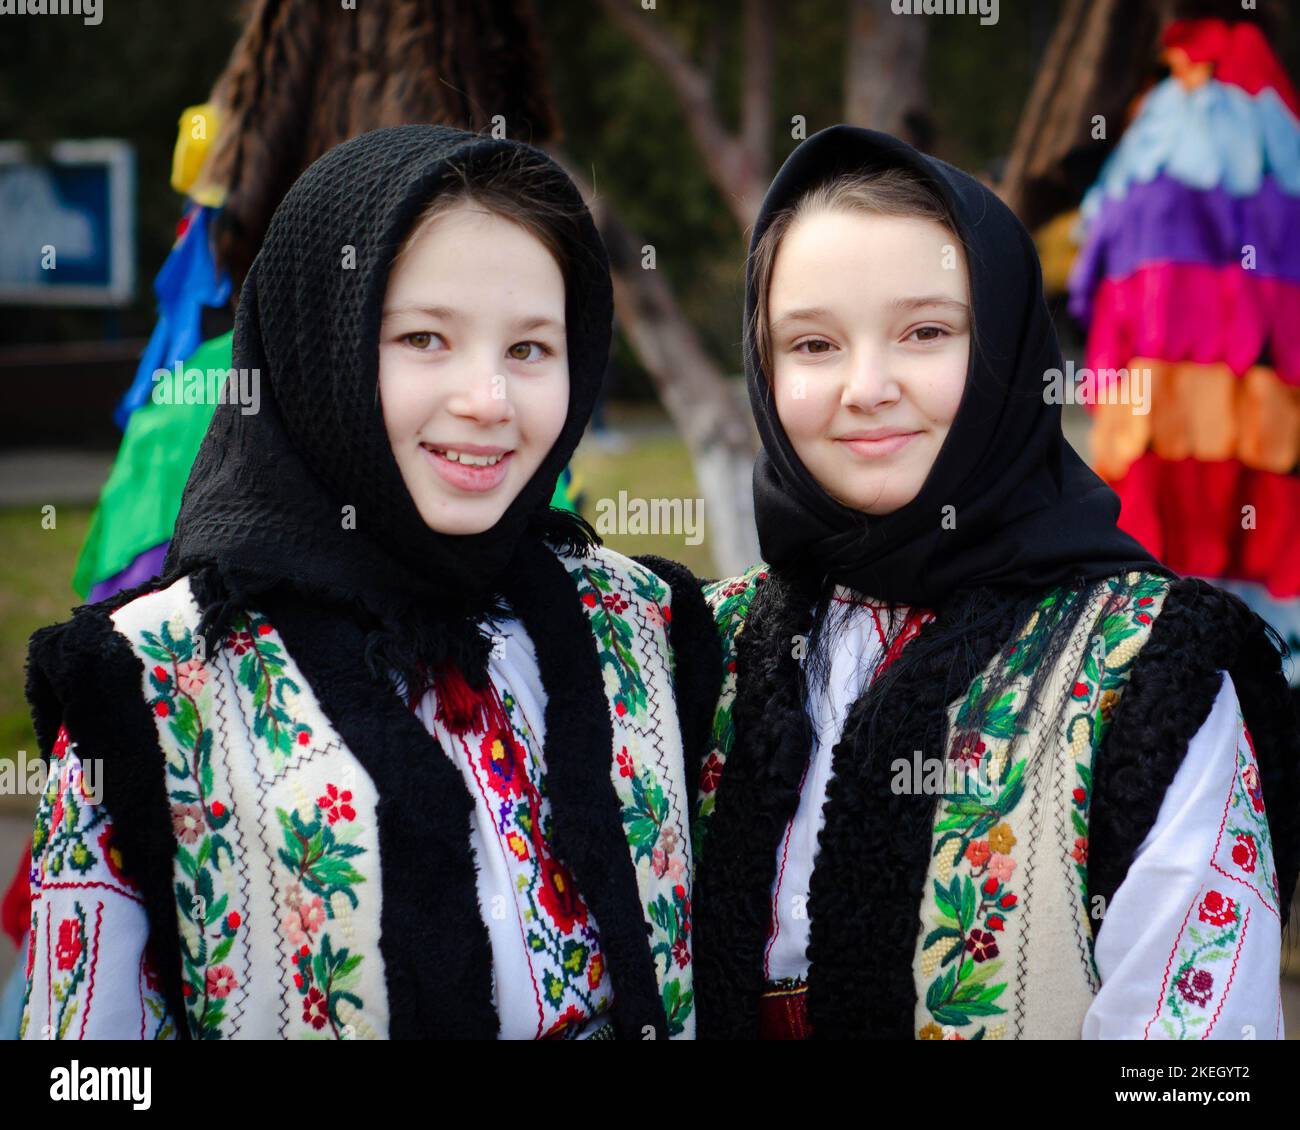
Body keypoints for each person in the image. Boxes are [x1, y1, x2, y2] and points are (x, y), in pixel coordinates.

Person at [19, 124, 719, 1040]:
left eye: (530, 350)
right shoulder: (151, 687)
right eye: (425, 337)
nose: (488, 400)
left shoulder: (645, 629)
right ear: (321, 344)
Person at [691, 124, 1300, 1040]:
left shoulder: (1147, 670)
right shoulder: (702, 648)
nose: (867, 386)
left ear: (1009, 350)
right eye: (813, 345)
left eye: (926, 332)